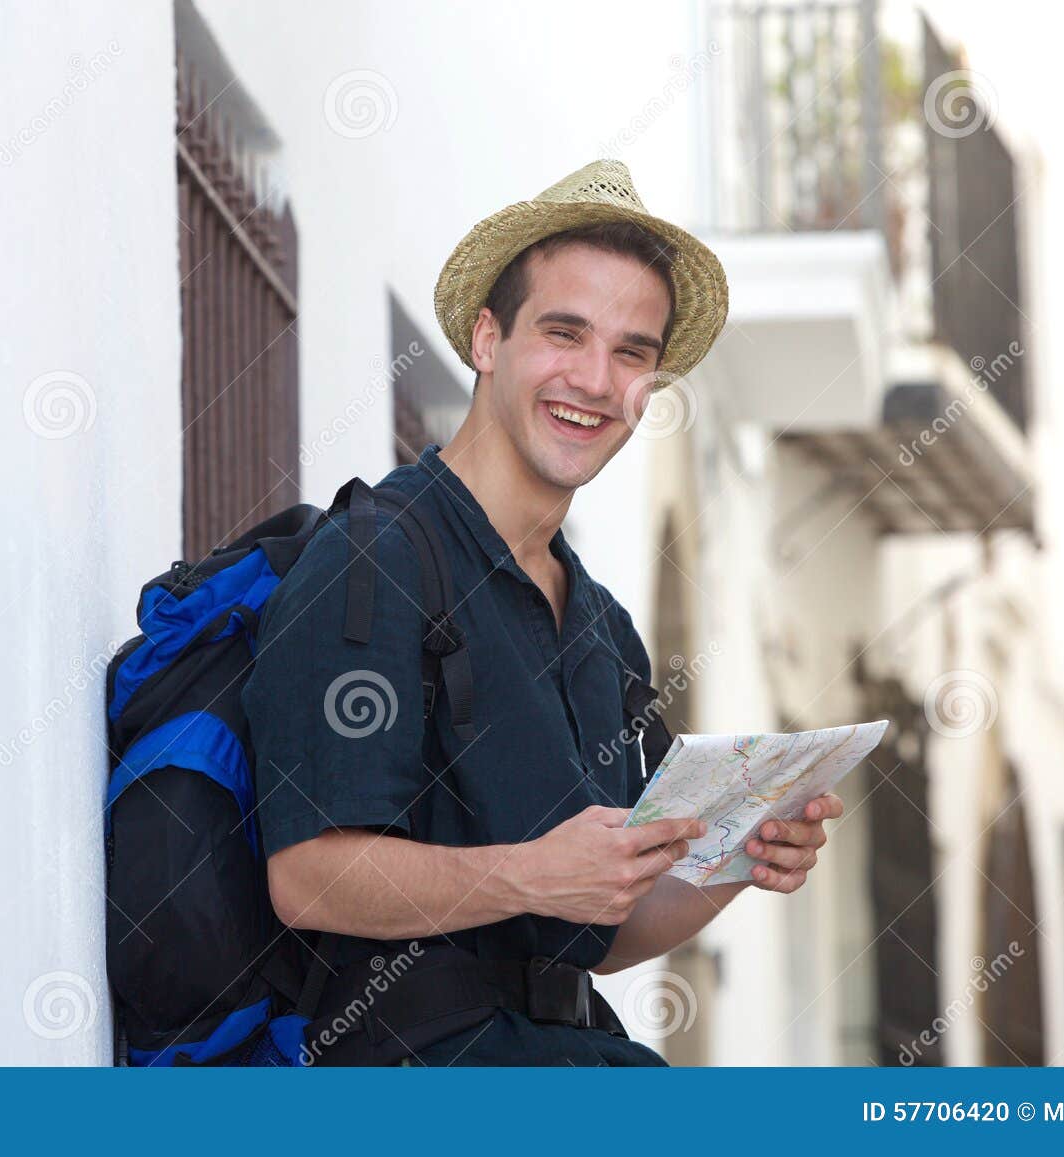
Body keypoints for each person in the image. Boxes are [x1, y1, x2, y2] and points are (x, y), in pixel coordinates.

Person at [241, 159, 844, 1066]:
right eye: (566, 333)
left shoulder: (601, 626)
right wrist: (527, 873)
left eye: (633, 352)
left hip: (573, 1050)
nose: (597, 380)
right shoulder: (375, 558)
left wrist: (736, 859)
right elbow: (308, 875)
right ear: (488, 339)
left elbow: (603, 929)